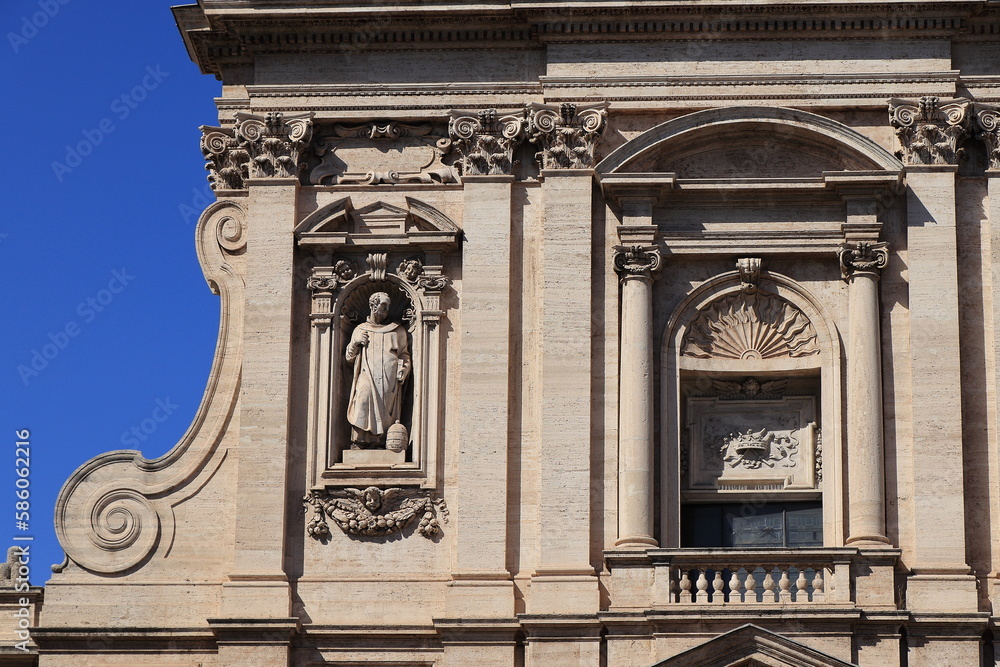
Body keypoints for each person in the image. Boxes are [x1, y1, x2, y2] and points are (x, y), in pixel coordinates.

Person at [345, 291, 411, 448]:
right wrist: (355, 343)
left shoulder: (397, 330)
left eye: (388, 306)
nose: (387, 310)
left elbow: (404, 354)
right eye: (383, 306)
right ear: (373, 306)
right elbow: (349, 358)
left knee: (385, 410)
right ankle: (360, 441)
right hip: (366, 373)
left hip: (389, 378)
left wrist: (404, 369)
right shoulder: (360, 329)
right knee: (362, 398)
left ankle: (381, 442)